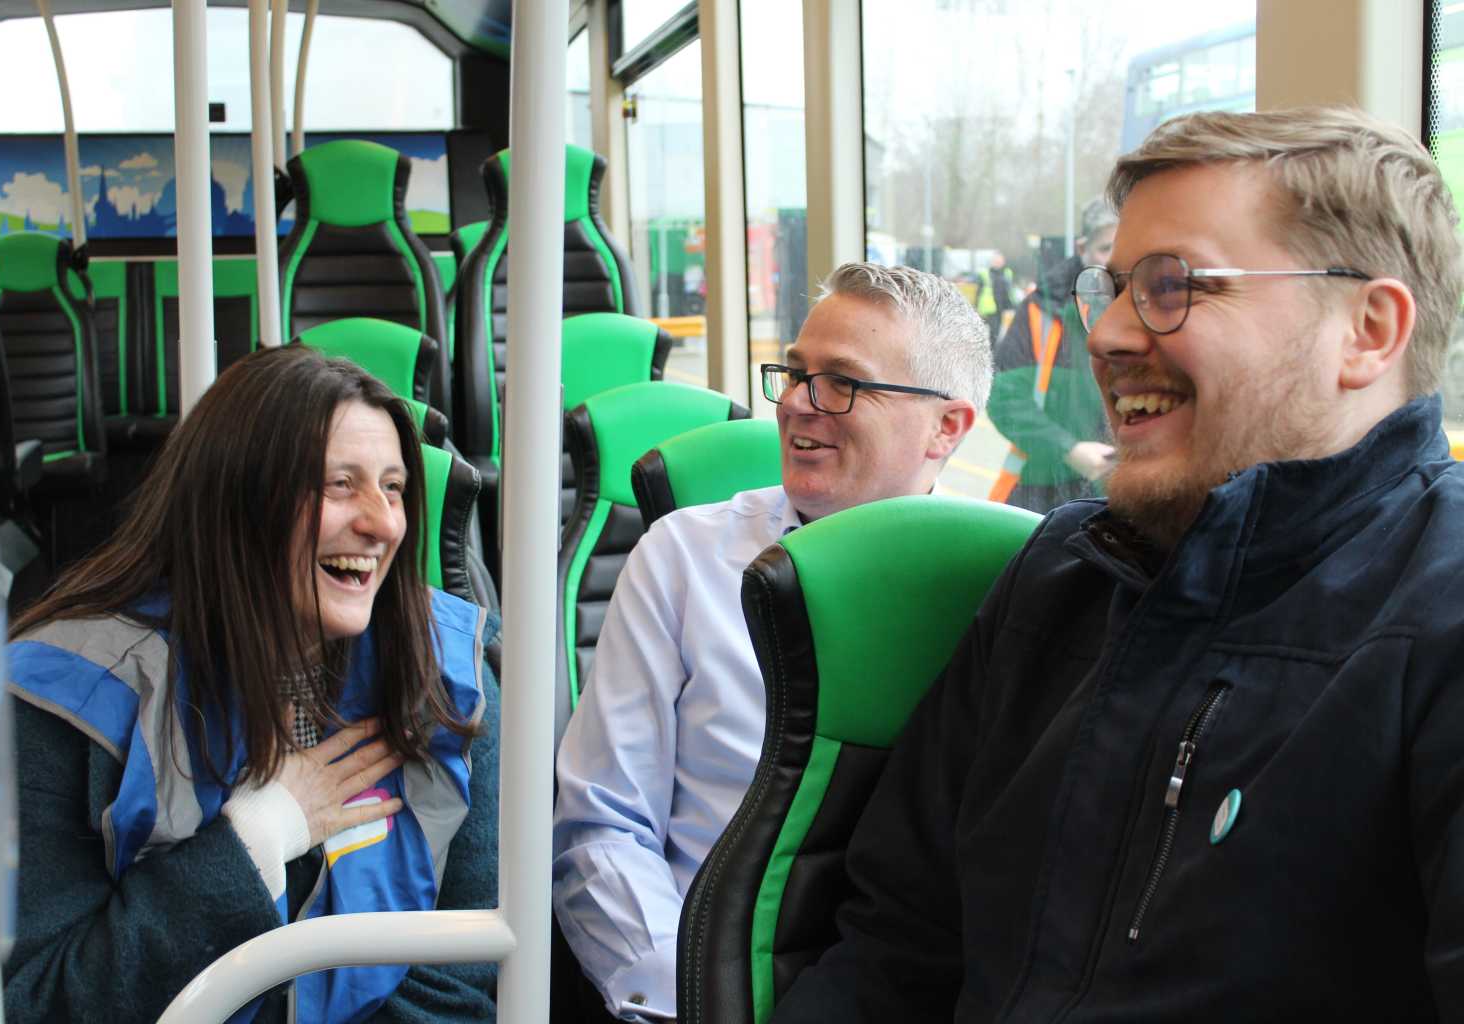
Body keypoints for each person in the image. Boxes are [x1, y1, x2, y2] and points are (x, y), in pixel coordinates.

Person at [771, 106, 1464, 1020]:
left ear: (1367, 331)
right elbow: (898, 943)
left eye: (1174, 287)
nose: (1106, 336)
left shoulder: (1439, 621)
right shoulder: (1063, 575)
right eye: (1116, 287)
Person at [1, 345, 501, 1023]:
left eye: (392, 487)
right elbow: (36, 1001)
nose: (383, 524)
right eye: (339, 484)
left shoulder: (447, 676)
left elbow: (461, 977)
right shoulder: (68, 701)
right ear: (236, 499)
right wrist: (252, 845)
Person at [553, 262, 992, 1021]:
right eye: (794, 373)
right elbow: (602, 827)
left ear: (946, 428)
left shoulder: (999, 582)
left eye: (841, 383)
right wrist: (688, 1001)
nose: (795, 405)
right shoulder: (682, 557)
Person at [986, 199, 1119, 513]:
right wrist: (1068, 449)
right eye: (1105, 248)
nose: (1113, 262)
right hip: (1043, 494)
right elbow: (1004, 397)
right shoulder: (1042, 309)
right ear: (1082, 247)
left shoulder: (1150, 308)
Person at [976, 250, 1017, 345]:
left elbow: (1010, 291)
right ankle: (991, 354)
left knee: (999, 334)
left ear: (1003, 262)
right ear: (991, 262)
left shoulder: (1007, 273)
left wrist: (1013, 305)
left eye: (999, 261)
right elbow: (979, 292)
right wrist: (977, 307)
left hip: (1003, 308)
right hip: (989, 309)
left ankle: (994, 353)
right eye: (995, 260)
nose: (997, 263)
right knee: (991, 334)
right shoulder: (985, 273)